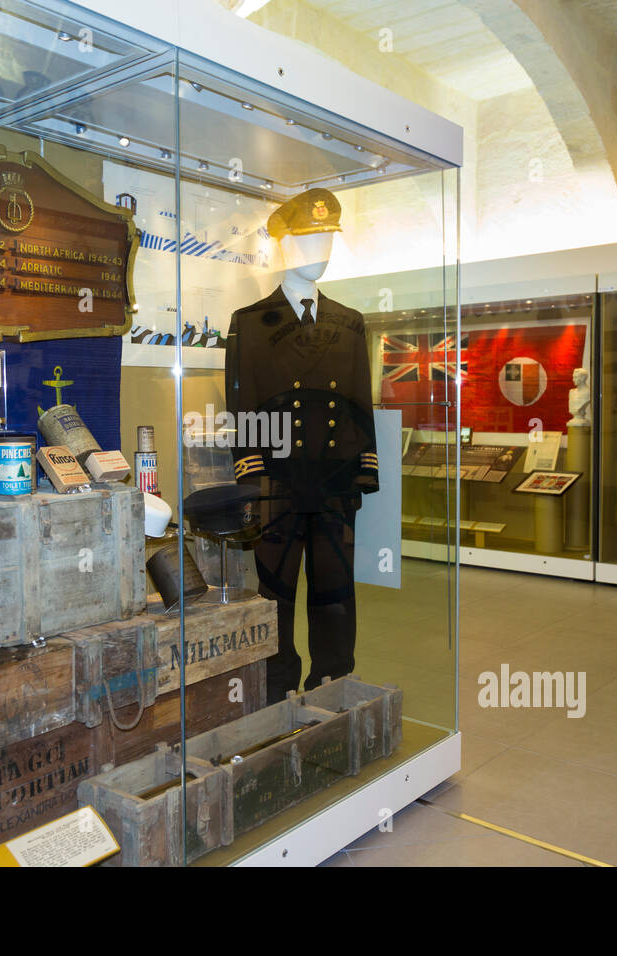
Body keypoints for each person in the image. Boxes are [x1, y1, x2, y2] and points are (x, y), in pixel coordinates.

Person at [224, 189, 378, 703]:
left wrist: (365, 468)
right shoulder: (248, 323)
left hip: (334, 483)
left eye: (328, 238)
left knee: (335, 589)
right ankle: (275, 684)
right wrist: (252, 477)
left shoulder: (350, 322)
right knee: (277, 591)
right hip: (279, 483)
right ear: (285, 244)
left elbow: (359, 400)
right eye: (311, 238)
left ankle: (334, 680)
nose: (323, 250)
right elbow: (242, 409)